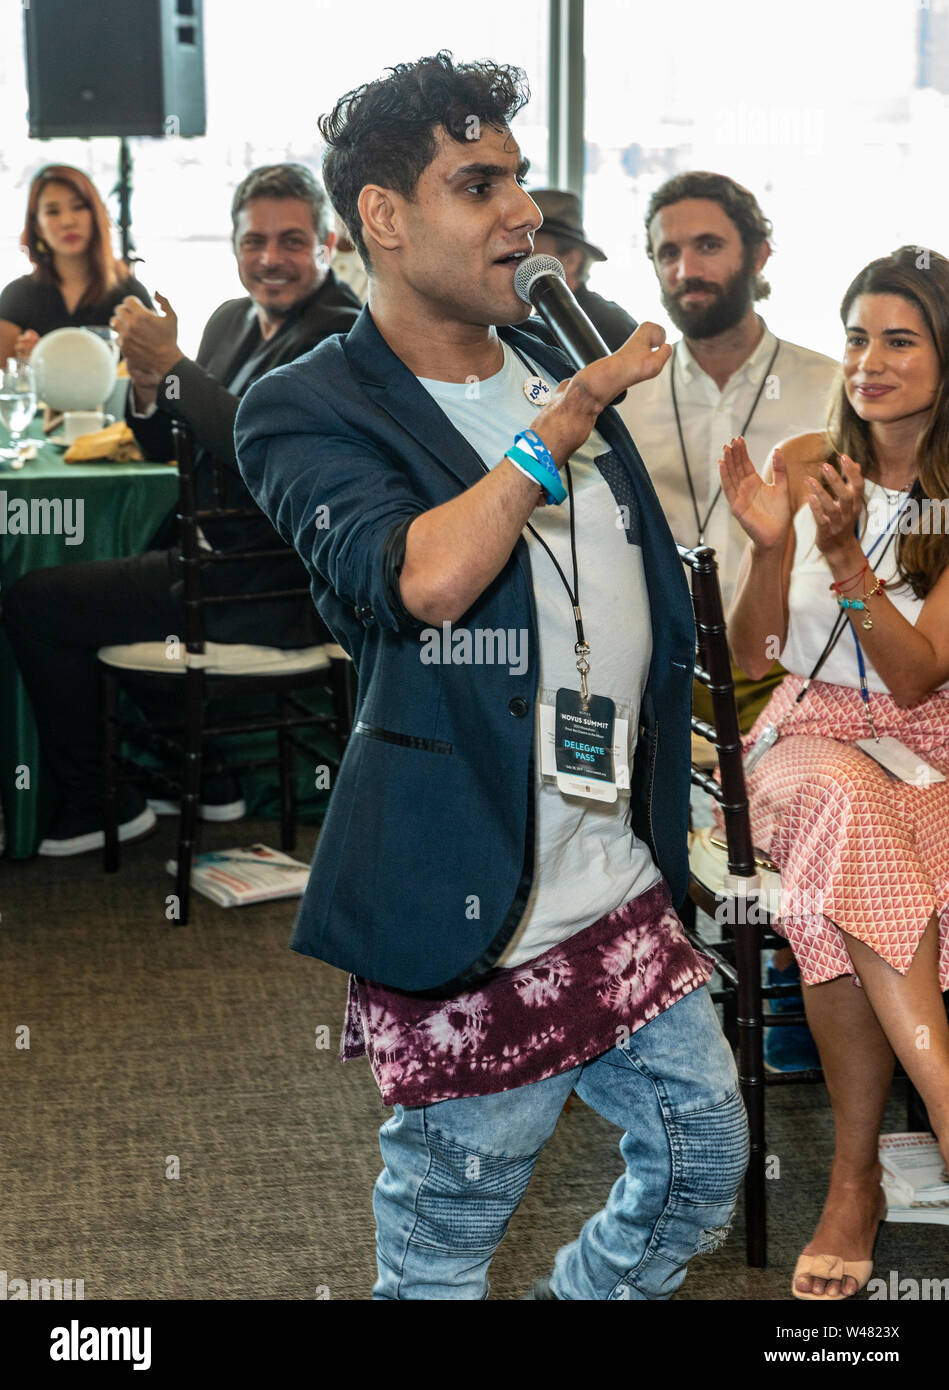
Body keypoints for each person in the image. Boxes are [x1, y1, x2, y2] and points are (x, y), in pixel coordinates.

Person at [236, 52, 748, 1302]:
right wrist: (560, 421)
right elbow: (422, 579)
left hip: (617, 871)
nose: (521, 210)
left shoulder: (544, 362)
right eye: (479, 184)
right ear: (385, 219)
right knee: (442, 1258)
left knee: (700, 1161)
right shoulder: (304, 405)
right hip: (472, 897)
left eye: (519, 178)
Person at [3, 164, 361, 858]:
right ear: (233, 246)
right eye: (254, 240)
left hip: (274, 583)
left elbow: (257, 456)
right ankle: (206, 777)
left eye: (292, 241)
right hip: (208, 561)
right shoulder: (231, 319)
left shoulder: (339, 333)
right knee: (84, 588)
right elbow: (173, 445)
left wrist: (171, 366)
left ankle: (99, 798)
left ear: (327, 244)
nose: (270, 259)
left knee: (32, 602)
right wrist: (145, 383)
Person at [718, 245, 949, 1300]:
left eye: (899, 339)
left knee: (867, 852)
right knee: (846, 803)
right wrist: (773, 550)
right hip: (803, 738)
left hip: (929, 741)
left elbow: (914, 681)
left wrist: (850, 556)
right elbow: (749, 665)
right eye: (856, 335)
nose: (866, 361)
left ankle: (853, 1175)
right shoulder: (807, 455)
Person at [619, 172, 839, 1073]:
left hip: (795, 658)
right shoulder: (628, 393)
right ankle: (654, 981)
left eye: (706, 245)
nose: (685, 268)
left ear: (758, 255)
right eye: (667, 251)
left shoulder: (829, 386)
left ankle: (787, 981)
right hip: (660, 657)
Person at [0, 164, 151, 362]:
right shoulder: (16, 296)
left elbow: (157, 378)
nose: (67, 221)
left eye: (78, 207)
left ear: (95, 215)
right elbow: (6, 380)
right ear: (38, 226)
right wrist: (27, 366)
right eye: (53, 211)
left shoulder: (130, 296)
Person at [530, 187, 638, 350]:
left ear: (572, 260)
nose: (519, 263)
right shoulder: (527, 325)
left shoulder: (611, 324)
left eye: (532, 255)